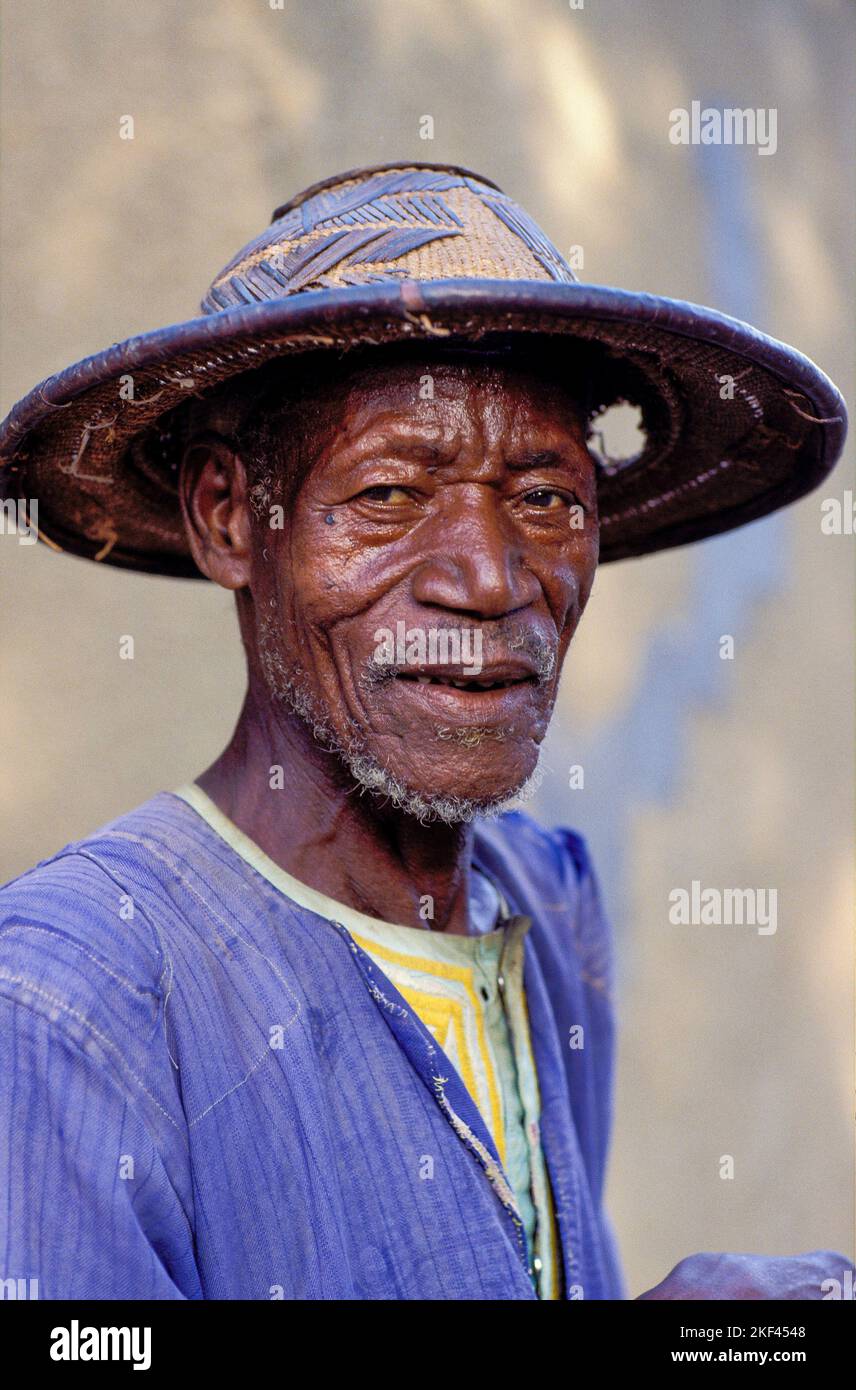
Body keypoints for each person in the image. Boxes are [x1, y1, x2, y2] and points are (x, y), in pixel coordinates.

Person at [0, 162, 850, 1300]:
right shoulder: (71, 998)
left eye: (544, 497)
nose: (491, 579)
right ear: (227, 519)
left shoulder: (542, 905)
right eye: (391, 495)